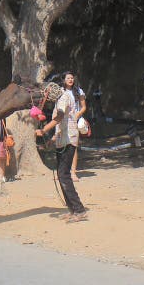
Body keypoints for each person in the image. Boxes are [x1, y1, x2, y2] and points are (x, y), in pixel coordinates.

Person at [36, 83, 88, 222]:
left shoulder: (63, 98)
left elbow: (59, 117)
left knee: (64, 175)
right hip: (62, 139)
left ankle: (79, 210)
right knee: (61, 174)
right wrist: (52, 140)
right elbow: (61, 123)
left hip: (68, 140)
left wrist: (43, 130)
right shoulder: (61, 99)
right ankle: (73, 210)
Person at [61, 71, 88, 181]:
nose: (70, 80)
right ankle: (62, 172)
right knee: (62, 147)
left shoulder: (78, 91)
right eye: (68, 78)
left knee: (73, 147)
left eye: (72, 78)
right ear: (64, 80)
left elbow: (83, 107)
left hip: (74, 121)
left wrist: (77, 115)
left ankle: (73, 173)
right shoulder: (60, 91)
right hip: (62, 121)